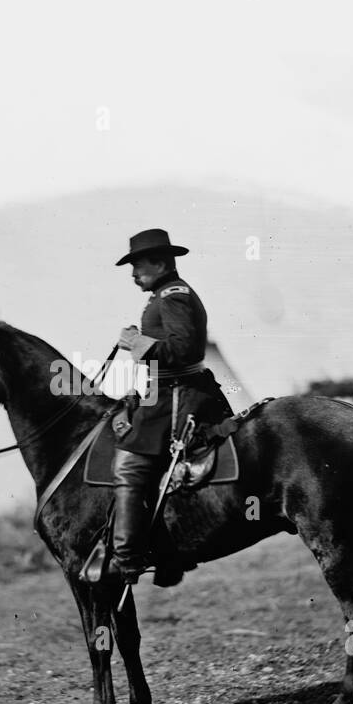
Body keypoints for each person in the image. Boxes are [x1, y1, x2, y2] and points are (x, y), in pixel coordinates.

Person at [111, 229, 233, 584]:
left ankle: (127, 557)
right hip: (162, 392)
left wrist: (137, 342)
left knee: (130, 466)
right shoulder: (161, 295)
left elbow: (184, 350)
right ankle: (163, 550)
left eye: (138, 266)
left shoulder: (173, 295)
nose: (134, 274)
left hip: (178, 396)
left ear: (160, 262)